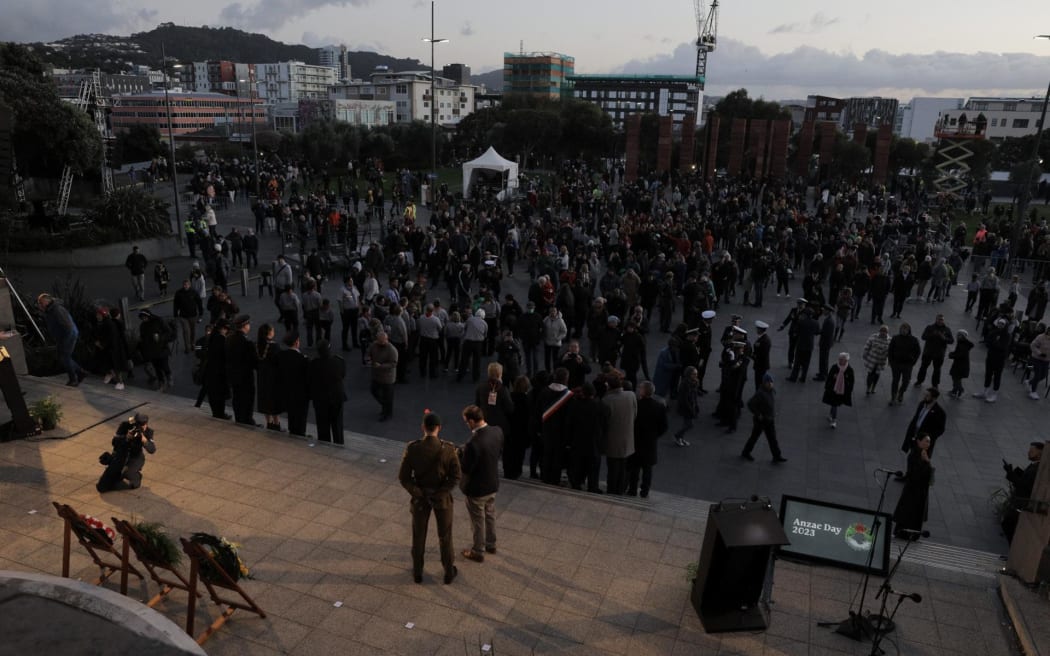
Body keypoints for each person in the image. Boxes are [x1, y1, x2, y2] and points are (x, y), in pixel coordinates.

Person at [398, 412, 462, 584]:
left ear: (423, 428)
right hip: (441, 499)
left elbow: (404, 477)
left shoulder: (413, 448)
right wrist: (441, 493)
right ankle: (448, 572)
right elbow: (456, 477)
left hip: (420, 499)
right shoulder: (448, 449)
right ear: (439, 429)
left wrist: (417, 492)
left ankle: (417, 572)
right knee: (445, 536)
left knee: (418, 536)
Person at [458, 405, 504, 563]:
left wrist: (461, 456)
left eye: (466, 422)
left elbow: (466, 468)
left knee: (478, 519)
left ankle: (478, 550)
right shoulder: (497, 431)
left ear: (471, 421)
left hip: (477, 488)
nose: (466, 425)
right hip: (492, 483)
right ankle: (491, 543)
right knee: (490, 513)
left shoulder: (473, 442)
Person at [96, 413, 156, 492]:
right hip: (120, 455)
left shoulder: (148, 432)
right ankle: (117, 475)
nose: (143, 427)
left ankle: (136, 478)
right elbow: (114, 442)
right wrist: (126, 438)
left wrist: (145, 440)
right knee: (102, 487)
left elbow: (152, 450)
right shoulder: (125, 426)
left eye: (144, 425)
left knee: (127, 473)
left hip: (135, 458)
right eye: (140, 425)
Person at [628, 381, 668, 497]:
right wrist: (655, 435)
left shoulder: (637, 405)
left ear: (643, 391)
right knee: (647, 469)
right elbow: (664, 426)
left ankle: (632, 490)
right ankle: (644, 491)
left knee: (634, 468)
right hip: (650, 442)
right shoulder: (659, 407)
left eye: (640, 388)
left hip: (636, 441)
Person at [38, 293, 86, 386]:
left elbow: (68, 325)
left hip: (68, 336)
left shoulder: (56, 310)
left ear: (46, 301)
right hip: (64, 336)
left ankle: (74, 379)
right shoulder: (50, 310)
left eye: (41, 302)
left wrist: (64, 339)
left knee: (65, 357)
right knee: (63, 357)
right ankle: (80, 372)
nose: (39, 305)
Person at [601, 372, 637, 495]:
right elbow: (635, 414)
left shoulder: (606, 400)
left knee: (612, 468)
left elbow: (604, 423)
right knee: (624, 467)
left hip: (612, 440)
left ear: (609, 386)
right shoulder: (631, 395)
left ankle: (612, 491)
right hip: (628, 439)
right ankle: (621, 490)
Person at [892, 433, 933, 540]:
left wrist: (927, 462)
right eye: (926, 441)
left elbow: (931, 478)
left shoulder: (925, 454)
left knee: (915, 515)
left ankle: (913, 535)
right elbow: (915, 473)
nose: (928, 443)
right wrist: (926, 463)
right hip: (912, 491)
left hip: (921, 492)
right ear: (919, 441)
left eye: (929, 441)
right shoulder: (914, 455)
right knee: (907, 514)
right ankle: (902, 534)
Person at [1002, 442, 1044, 543]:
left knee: (1008, 525)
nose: (1028, 453)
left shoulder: (1036, 469)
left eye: (1032, 451)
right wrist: (1012, 473)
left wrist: (1011, 473)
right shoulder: (1033, 465)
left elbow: (1024, 486)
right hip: (1020, 501)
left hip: (1022, 503)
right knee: (1008, 525)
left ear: (1039, 453)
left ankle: (1012, 554)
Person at [742, 372, 787, 463]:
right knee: (754, 437)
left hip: (770, 419)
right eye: (768, 382)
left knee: (772, 439)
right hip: (761, 421)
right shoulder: (760, 393)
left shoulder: (771, 391)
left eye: (771, 382)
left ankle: (777, 456)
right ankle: (746, 452)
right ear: (764, 383)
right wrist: (758, 414)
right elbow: (750, 404)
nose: (770, 384)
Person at [308, 340, 347, 444]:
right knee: (337, 424)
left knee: (322, 425)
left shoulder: (313, 363)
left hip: (320, 399)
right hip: (336, 397)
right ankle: (338, 444)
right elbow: (343, 375)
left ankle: (324, 445)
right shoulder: (339, 361)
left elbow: (311, 378)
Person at [899, 387, 947, 469]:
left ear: (934, 398)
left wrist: (928, 439)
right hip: (915, 437)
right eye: (924, 395)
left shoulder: (939, 412)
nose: (924, 397)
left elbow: (941, 429)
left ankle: (914, 478)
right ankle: (908, 475)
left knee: (920, 461)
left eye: (927, 396)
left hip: (924, 441)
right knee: (911, 457)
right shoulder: (922, 404)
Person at [226, 314, 258, 426]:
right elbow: (254, 361)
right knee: (248, 398)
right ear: (244, 326)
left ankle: (239, 417)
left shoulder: (229, 339)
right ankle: (248, 419)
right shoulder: (247, 342)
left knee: (237, 397)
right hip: (245, 375)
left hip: (233, 373)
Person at [277, 333, 310, 436]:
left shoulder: (282, 355)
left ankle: (292, 429)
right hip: (300, 392)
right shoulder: (303, 359)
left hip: (287, 389)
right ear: (296, 343)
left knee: (291, 412)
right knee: (301, 414)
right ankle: (300, 432)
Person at [974, 317, 1011, 403]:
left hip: (1000, 359)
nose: (1000, 325)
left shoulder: (1007, 335)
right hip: (990, 356)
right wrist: (995, 343)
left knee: (997, 376)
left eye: (1002, 324)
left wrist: (994, 343)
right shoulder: (993, 332)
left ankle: (994, 393)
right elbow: (987, 342)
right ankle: (985, 390)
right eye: (999, 323)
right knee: (988, 374)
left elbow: (1002, 347)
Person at [914, 314, 954, 389]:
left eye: (942, 319)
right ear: (936, 320)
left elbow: (951, 341)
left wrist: (944, 338)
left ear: (943, 320)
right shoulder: (930, 327)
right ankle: (919, 381)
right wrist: (932, 334)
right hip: (928, 352)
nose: (940, 321)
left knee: (937, 370)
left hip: (939, 354)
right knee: (923, 367)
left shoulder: (947, 329)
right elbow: (923, 337)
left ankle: (935, 384)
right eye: (939, 319)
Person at [256, 323, 283, 431]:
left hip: (262, 376)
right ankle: (276, 423)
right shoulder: (274, 346)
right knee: (273, 399)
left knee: (264, 397)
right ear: (269, 333)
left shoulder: (257, 345)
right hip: (273, 377)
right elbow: (279, 361)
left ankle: (268, 422)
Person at [137, 310, 173, 390]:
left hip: (162, 349)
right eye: (142, 318)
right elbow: (142, 338)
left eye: (144, 317)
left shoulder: (158, 321)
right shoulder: (142, 326)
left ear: (148, 316)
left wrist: (160, 337)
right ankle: (161, 383)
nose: (143, 319)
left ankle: (169, 377)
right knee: (157, 368)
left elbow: (168, 332)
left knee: (164, 366)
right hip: (151, 351)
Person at [887, 323, 921, 405]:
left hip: (907, 364)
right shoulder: (895, 338)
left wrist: (913, 361)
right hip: (896, 364)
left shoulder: (914, 340)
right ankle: (893, 397)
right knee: (895, 380)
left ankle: (901, 392)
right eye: (902, 329)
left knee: (906, 381)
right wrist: (891, 361)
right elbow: (890, 350)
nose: (903, 330)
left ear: (908, 330)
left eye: (905, 329)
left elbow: (918, 351)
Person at [204, 319, 231, 419]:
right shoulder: (221, 339)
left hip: (211, 369)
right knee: (220, 394)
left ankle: (216, 412)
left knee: (213, 393)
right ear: (222, 329)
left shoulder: (212, 337)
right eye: (226, 329)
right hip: (219, 370)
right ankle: (220, 413)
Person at [369, 331, 398, 421]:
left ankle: (387, 413)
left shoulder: (392, 350)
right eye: (379, 341)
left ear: (387, 339)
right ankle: (384, 406)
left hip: (388, 378)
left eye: (383, 342)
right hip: (376, 375)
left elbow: (393, 364)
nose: (381, 343)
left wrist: (381, 366)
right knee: (374, 391)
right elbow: (369, 353)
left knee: (388, 396)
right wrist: (368, 359)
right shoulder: (374, 345)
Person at [822, 352, 854, 429]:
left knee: (834, 404)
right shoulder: (834, 367)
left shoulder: (849, 369)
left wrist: (849, 390)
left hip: (842, 390)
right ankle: (834, 420)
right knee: (834, 404)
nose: (840, 361)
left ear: (846, 361)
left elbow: (852, 381)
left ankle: (831, 416)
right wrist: (827, 386)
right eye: (839, 359)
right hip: (833, 389)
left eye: (842, 360)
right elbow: (829, 377)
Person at [673, 366, 699, 447]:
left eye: (696, 374)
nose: (696, 376)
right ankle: (677, 436)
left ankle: (680, 438)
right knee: (689, 425)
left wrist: (696, 405)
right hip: (686, 407)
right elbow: (684, 399)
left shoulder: (694, 382)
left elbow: (694, 395)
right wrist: (691, 409)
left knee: (686, 424)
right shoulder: (685, 384)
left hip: (691, 406)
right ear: (689, 374)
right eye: (693, 374)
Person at [861, 325, 891, 395]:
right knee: (870, 374)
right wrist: (865, 355)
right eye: (882, 331)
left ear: (887, 332)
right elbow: (867, 346)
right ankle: (868, 387)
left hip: (881, 361)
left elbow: (890, 352)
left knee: (877, 375)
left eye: (885, 331)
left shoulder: (889, 340)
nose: (883, 333)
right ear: (879, 331)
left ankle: (873, 387)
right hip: (872, 359)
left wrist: (890, 361)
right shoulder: (873, 337)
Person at [173, 279, 200, 354]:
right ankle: (187, 347)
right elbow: (175, 304)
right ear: (183, 285)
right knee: (186, 331)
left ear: (190, 285)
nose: (185, 286)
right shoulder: (178, 293)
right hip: (183, 316)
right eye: (184, 285)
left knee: (193, 331)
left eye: (187, 285)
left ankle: (192, 344)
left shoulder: (194, 292)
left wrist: (200, 313)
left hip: (193, 315)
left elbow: (199, 302)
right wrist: (175, 314)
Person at [948, 329, 974, 399]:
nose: (958, 336)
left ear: (963, 336)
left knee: (956, 378)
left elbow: (961, 355)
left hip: (961, 365)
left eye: (960, 335)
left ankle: (961, 390)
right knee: (956, 377)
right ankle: (955, 391)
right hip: (960, 364)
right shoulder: (961, 343)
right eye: (958, 334)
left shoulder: (963, 344)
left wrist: (952, 355)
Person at [1026, 324, 1050, 400]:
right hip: (1036, 359)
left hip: (1046, 361)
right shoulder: (1041, 337)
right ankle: (1033, 392)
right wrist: (1039, 353)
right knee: (1037, 375)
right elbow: (1032, 345)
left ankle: (1030, 382)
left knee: (1044, 375)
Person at [752, 320, 771, 390]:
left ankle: (758, 397)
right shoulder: (762, 338)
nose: (756, 329)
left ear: (760, 329)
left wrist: (752, 356)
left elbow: (762, 355)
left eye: (757, 328)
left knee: (759, 383)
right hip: (760, 365)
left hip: (761, 366)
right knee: (758, 382)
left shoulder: (765, 340)